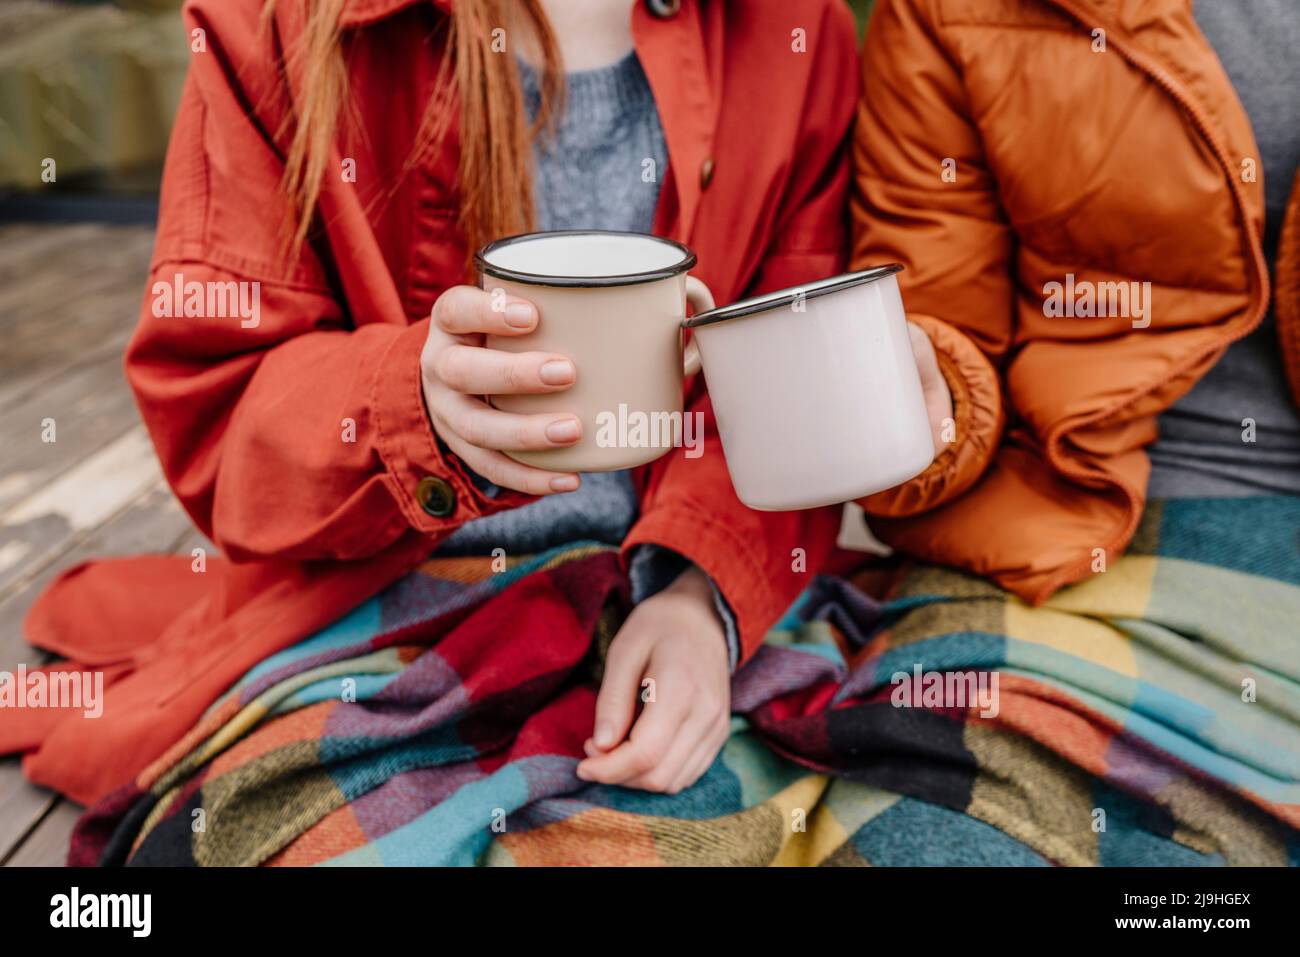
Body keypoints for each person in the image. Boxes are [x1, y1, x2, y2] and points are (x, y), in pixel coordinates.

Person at [1, 0, 865, 804]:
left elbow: (775, 389)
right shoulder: (274, 23)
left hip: (668, 602)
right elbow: (218, 410)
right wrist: (407, 407)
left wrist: (697, 595)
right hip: (362, 613)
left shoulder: (796, 29)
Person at [848, 0, 1300, 598]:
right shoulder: (942, 12)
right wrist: (927, 402)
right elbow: (941, 316)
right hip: (1066, 515)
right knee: (945, 695)